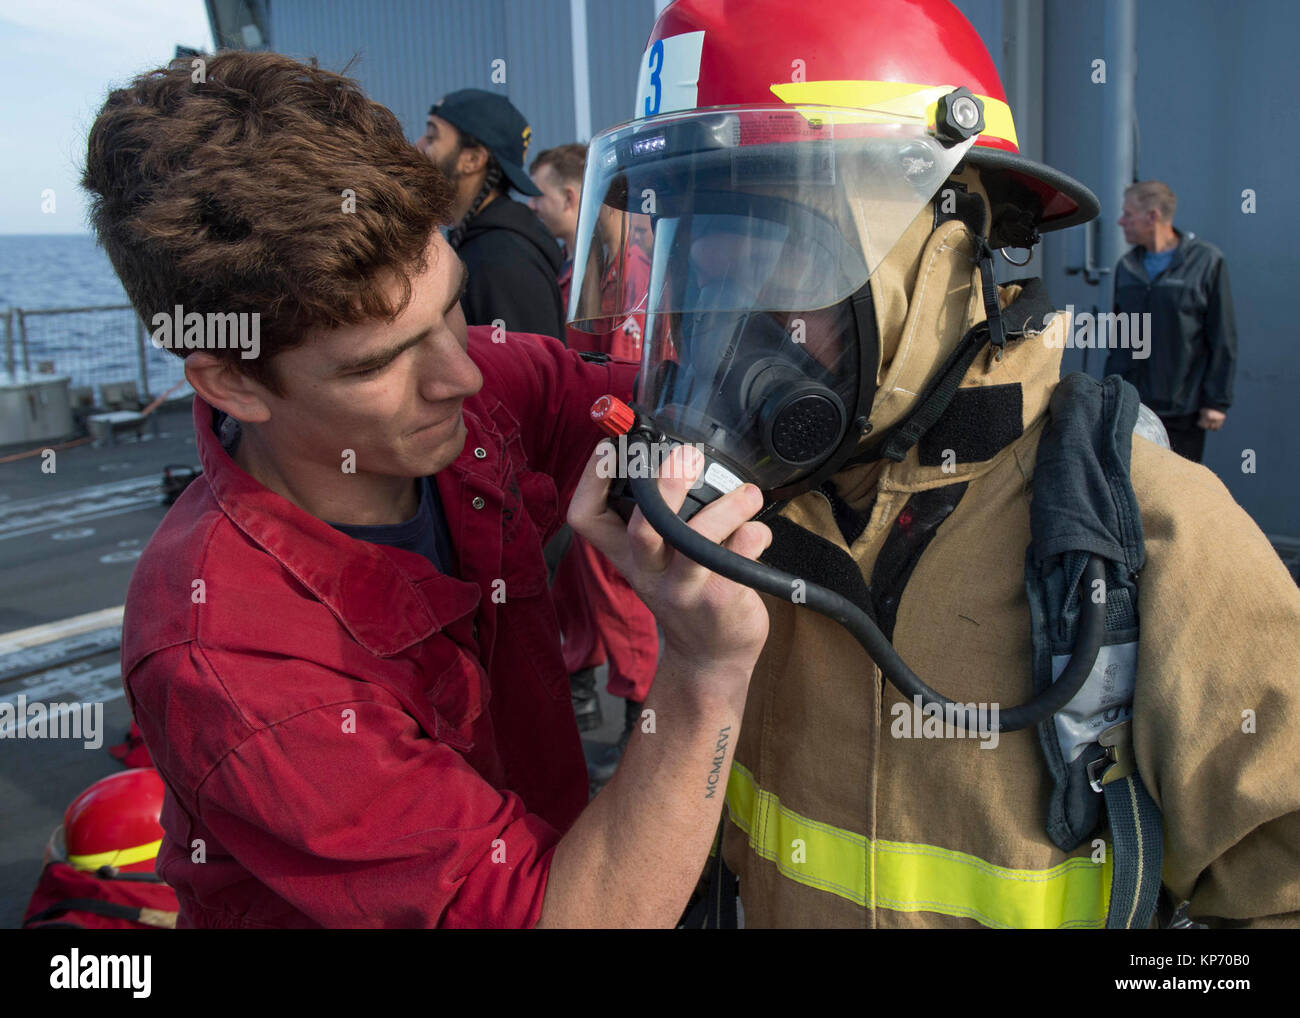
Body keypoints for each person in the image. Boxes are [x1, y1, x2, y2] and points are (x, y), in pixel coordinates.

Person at [569, 0, 1300, 928]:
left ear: (955, 255)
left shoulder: (1150, 539)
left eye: (778, 269)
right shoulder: (742, 542)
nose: (732, 340)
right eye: (702, 281)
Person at [84, 51, 771, 929]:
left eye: (450, 304)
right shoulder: (233, 658)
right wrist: (702, 679)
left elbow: (648, 395)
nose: (460, 374)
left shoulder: (467, 394)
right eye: (380, 362)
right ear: (231, 382)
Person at [530, 143, 659, 776]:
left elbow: (627, 375)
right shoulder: (586, 270)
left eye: (544, 193)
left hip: (612, 442)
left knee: (618, 581)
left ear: (577, 198)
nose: (536, 206)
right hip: (586, 442)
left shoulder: (631, 274)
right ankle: (605, 693)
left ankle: (641, 720)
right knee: (584, 580)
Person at [416, 89, 567, 342]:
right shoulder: (476, 244)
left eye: (432, 137)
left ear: (473, 160)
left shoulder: (503, 260)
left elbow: (527, 376)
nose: (418, 146)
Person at [1106, 181, 1237, 463]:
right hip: (1133, 407)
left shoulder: (1206, 261)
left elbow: (1222, 335)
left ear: (1152, 216)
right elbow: (1119, 338)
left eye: (1128, 214)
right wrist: (1110, 390)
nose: (1121, 221)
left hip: (1182, 411)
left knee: (1177, 495)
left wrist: (1216, 401)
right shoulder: (1127, 267)